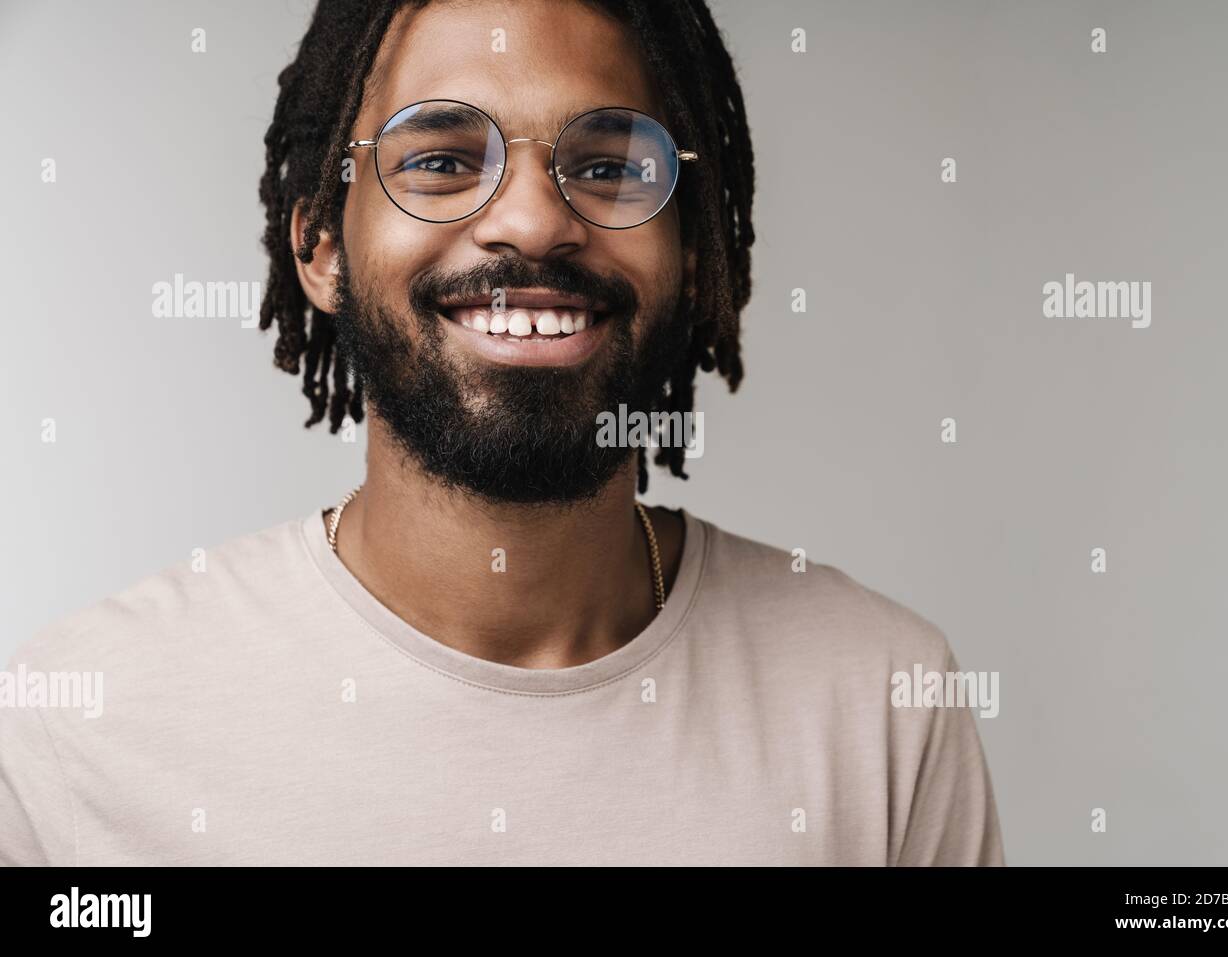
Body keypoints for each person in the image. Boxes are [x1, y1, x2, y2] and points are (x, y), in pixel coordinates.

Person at [0, 0, 1003, 866]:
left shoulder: (878, 701)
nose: (530, 222)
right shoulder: (77, 727)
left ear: (693, 254)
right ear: (317, 244)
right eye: (439, 160)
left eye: (607, 166)